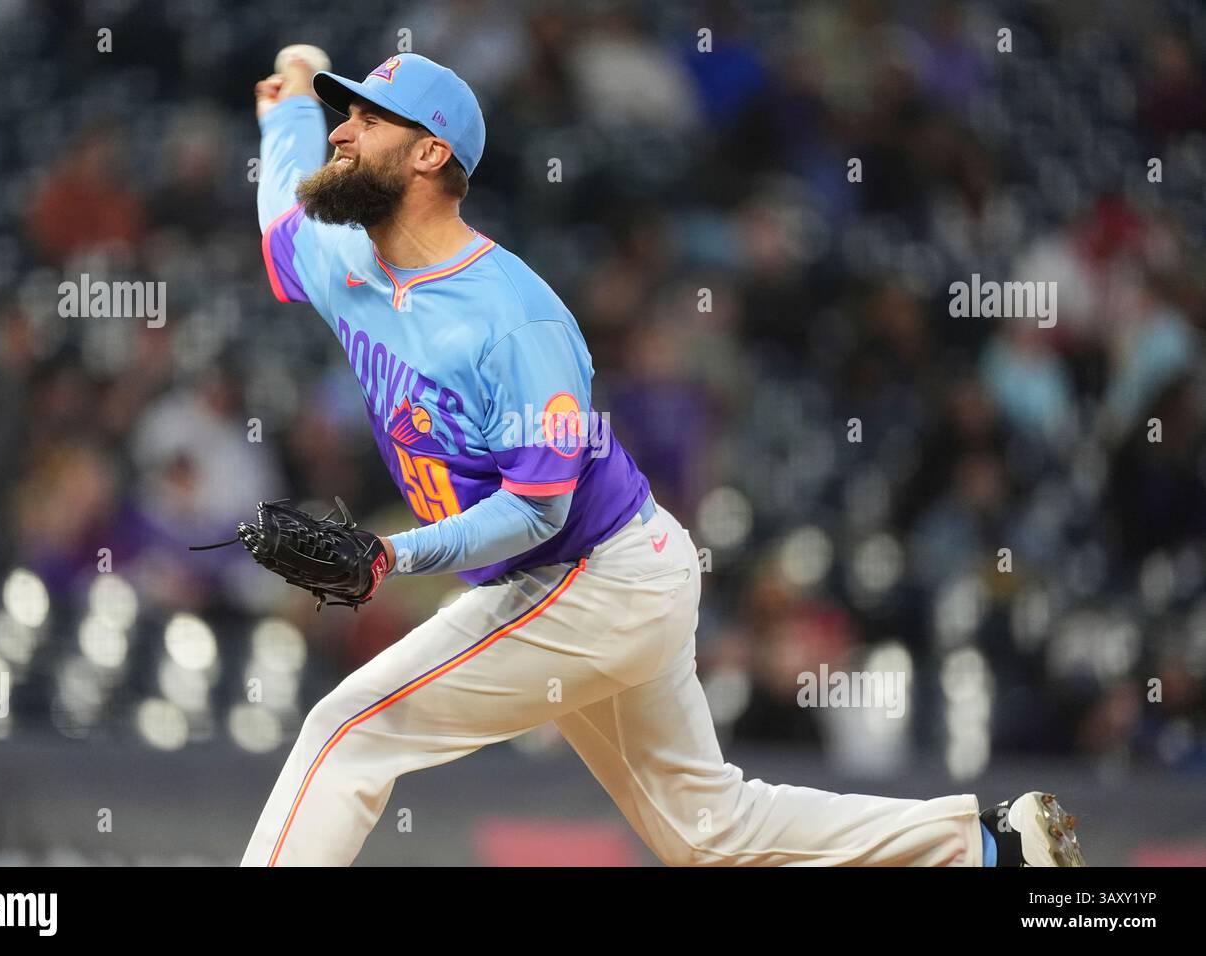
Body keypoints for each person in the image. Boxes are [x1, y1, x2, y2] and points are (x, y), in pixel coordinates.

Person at [242, 51, 1085, 868]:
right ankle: (986, 847)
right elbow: (283, 214)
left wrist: (395, 554)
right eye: (343, 115)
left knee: (347, 732)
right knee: (706, 833)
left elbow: (541, 509)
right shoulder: (344, 260)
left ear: (431, 154)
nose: (342, 133)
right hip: (591, 578)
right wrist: (286, 112)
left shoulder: (515, 321)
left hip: (598, 574)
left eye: (366, 118)